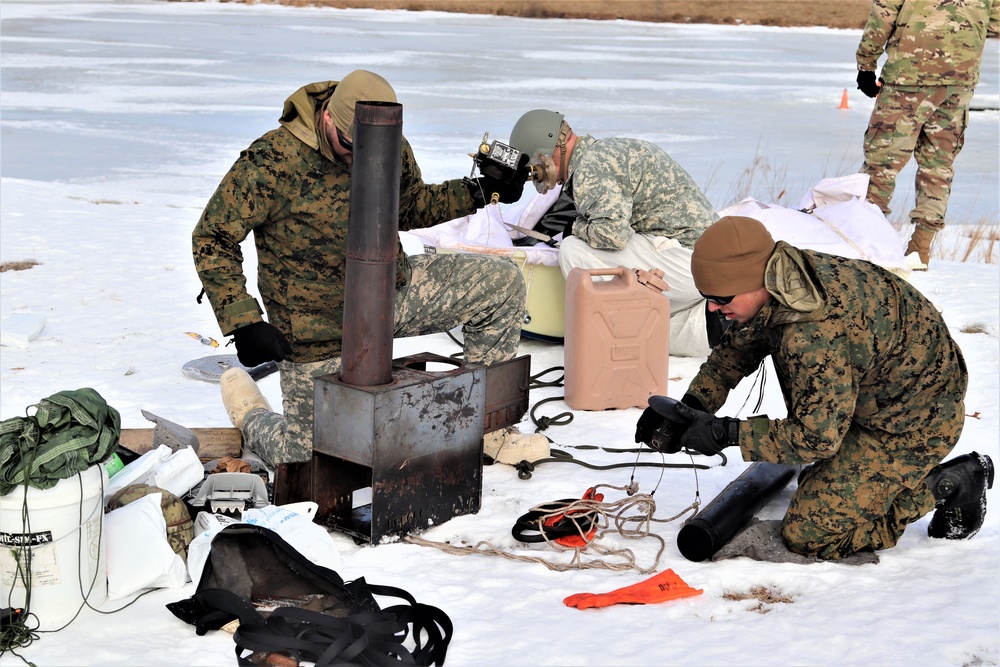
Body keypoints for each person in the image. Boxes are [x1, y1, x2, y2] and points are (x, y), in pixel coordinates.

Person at [192, 70, 542, 468]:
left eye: (368, 148)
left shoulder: (383, 139)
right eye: (349, 145)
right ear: (327, 116)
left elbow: (408, 206)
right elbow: (212, 236)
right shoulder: (273, 160)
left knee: (502, 284)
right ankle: (250, 413)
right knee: (310, 461)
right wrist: (244, 321)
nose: (358, 157)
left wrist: (478, 191)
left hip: (390, 293)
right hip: (317, 326)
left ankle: (488, 427)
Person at [635, 215, 993, 560]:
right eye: (707, 296)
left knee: (809, 533)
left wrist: (725, 433)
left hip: (913, 424)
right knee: (814, 476)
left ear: (755, 282)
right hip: (867, 400)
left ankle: (948, 482)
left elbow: (817, 438)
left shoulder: (813, 331)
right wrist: (690, 408)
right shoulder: (783, 277)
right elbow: (735, 353)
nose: (713, 307)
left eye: (722, 298)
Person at [506, 109, 723, 358]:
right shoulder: (604, 153)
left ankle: (621, 331)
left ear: (547, 153)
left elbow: (611, 234)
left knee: (573, 249)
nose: (540, 177)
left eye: (536, 167)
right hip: (708, 266)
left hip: (693, 267)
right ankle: (704, 328)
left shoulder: (590, 168)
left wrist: (573, 229)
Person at [855, 0, 999, 268]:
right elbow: (996, 20)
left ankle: (867, 243)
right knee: (938, 165)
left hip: (908, 76)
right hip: (958, 79)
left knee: (882, 161)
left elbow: (883, 15)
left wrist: (866, 65)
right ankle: (920, 248)